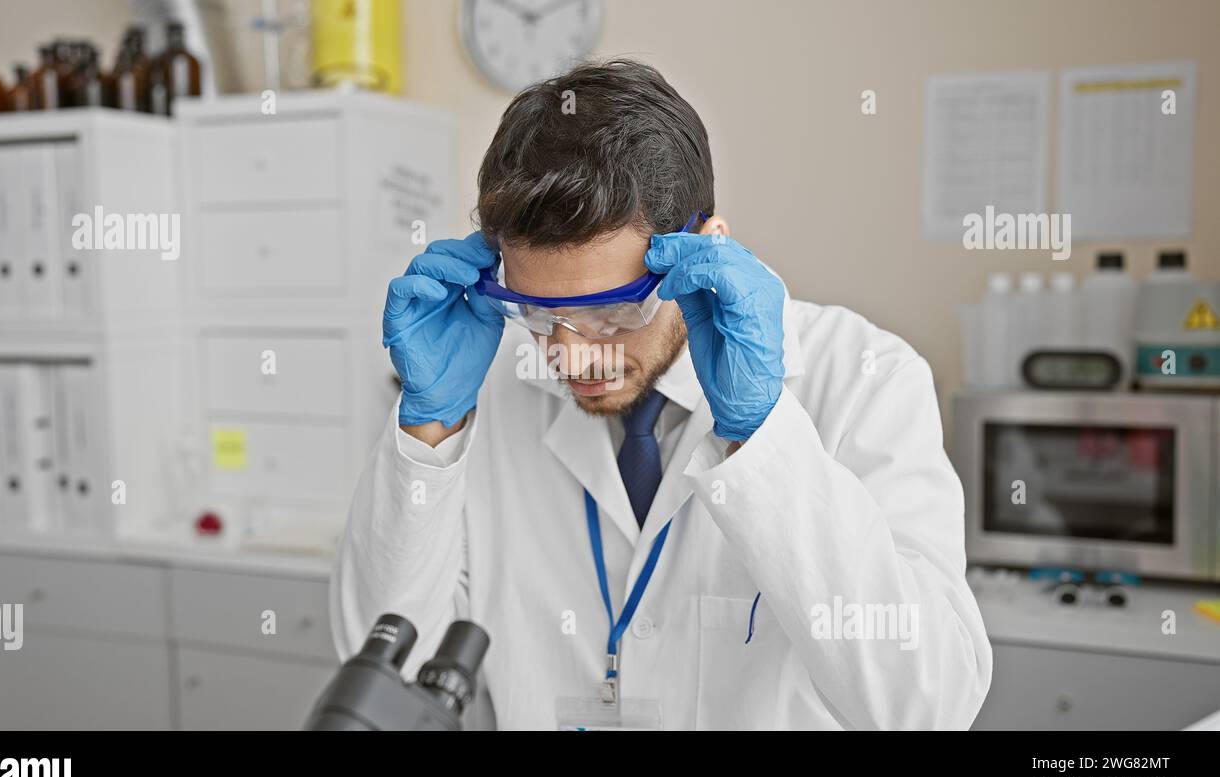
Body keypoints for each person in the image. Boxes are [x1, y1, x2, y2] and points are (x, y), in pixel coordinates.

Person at [331, 59, 992, 730]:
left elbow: (927, 704)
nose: (570, 354)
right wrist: (430, 431)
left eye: (614, 312)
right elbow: (385, 676)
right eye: (537, 312)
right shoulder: (487, 393)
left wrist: (763, 437)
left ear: (704, 251)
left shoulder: (863, 377)